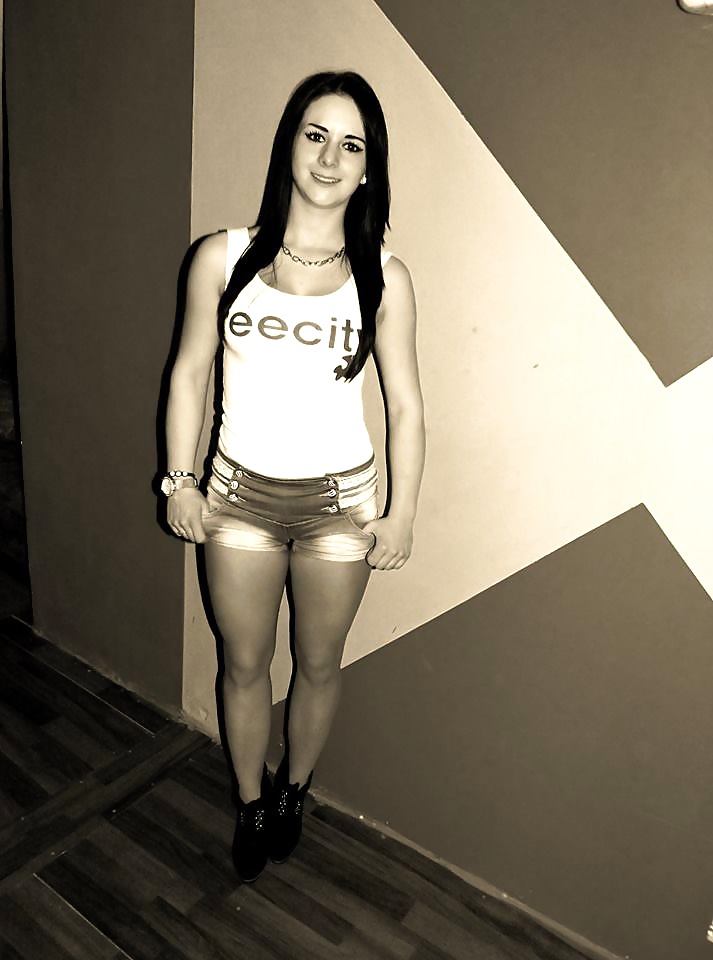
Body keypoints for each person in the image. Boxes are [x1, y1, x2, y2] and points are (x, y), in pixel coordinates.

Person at [160, 71, 425, 883]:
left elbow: (407, 407)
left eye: (352, 145)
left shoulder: (385, 276)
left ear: (369, 168)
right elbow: (189, 373)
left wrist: (401, 514)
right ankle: (249, 798)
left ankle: (293, 791)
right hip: (237, 497)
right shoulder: (222, 256)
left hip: (341, 507)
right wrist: (180, 481)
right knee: (244, 664)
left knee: (317, 663)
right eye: (316, 135)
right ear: (289, 144)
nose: (329, 157)